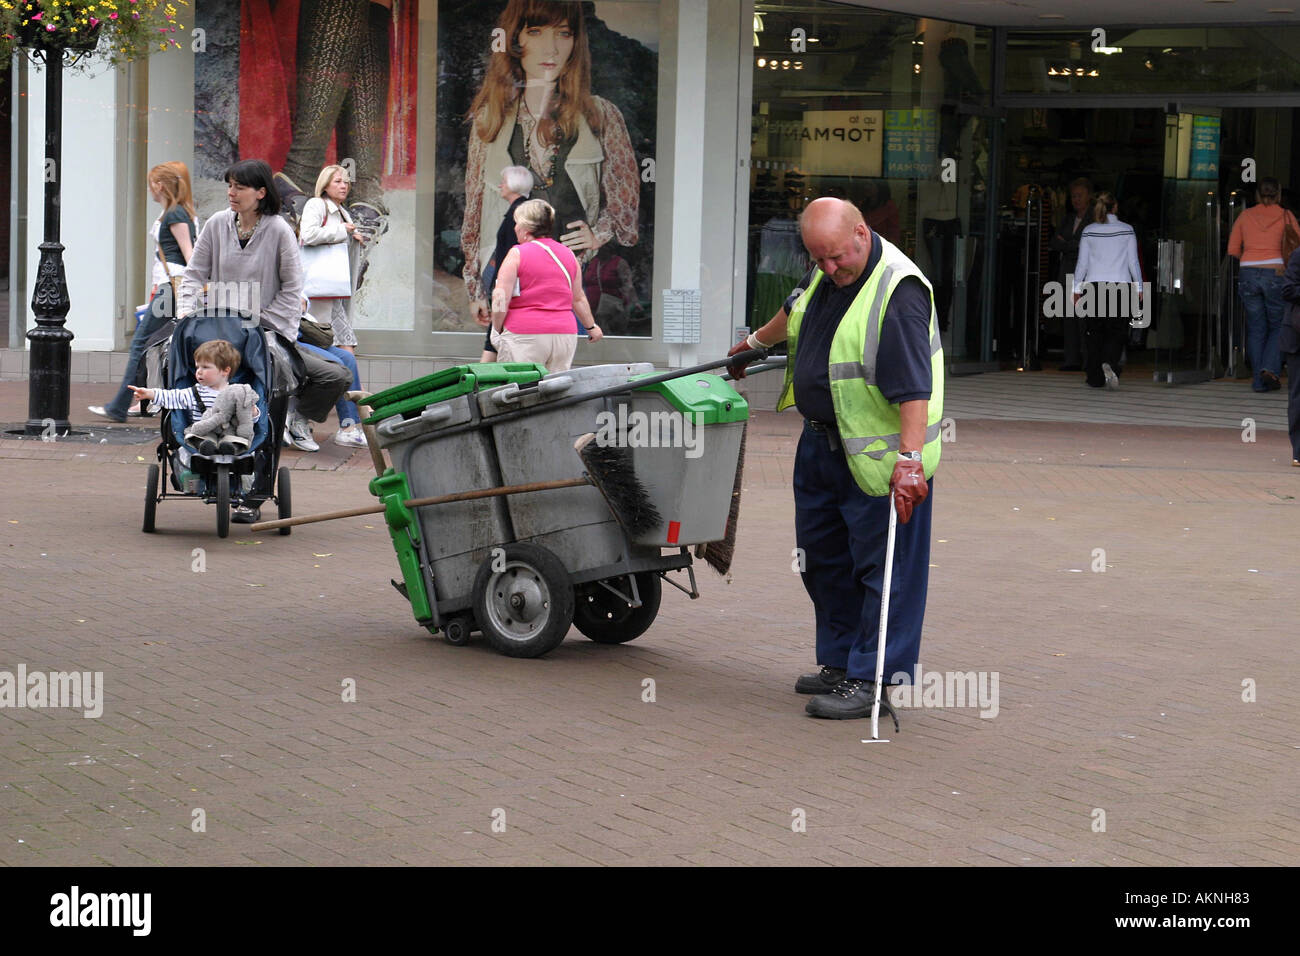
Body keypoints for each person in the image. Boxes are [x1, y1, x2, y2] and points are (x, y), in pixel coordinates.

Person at [727, 197, 944, 721]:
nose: (827, 269)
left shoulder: (899, 292)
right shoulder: (827, 270)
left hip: (879, 460)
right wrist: (752, 344)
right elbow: (793, 310)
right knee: (824, 562)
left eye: (835, 258)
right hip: (822, 445)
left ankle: (871, 678)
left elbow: (916, 388)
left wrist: (910, 462)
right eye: (818, 259)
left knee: (883, 572)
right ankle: (842, 660)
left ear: (862, 234)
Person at [178, 159, 352, 521]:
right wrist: (187, 316)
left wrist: (264, 327)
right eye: (229, 185)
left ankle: (263, 481)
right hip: (217, 335)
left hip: (266, 333)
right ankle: (202, 462)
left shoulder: (278, 230)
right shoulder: (215, 225)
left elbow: (292, 287)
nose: (231, 192)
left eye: (240, 187)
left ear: (261, 193)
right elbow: (194, 275)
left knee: (330, 376)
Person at [461, 0, 639, 318]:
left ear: (575, 42)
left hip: (568, 277)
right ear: (517, 39)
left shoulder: (601, 115)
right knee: (514, 362)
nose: (551, 48)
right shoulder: (491, 119)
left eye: (564, 33)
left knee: (560, 359)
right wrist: (475, 287)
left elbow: (624, 203)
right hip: (507, 273)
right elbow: (474, 211)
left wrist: (598, 234)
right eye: (536, 32)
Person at [89, 162, 197, 422]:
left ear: (160, 185)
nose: (150, 189)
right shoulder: (175, 213)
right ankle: (145, 402)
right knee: (153, 343)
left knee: (141, 342)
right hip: (168, 288)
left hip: (170, 290)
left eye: (152, 183)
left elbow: (190, 256)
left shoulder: (175, 215)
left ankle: (122, 405)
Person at [298, 165, 368, 447]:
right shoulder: (318, 205)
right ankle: (351, 420)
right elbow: (308, 235)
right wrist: (343, 231)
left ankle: (351, 421)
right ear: (324, 184)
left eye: (346, 181)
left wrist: (353, 239)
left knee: (345, 356)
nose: (344, 185)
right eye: (337, 181)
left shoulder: (343, 212)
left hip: (333, 296)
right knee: (339, 356)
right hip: (317, 298)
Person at [491, 198, 602, 371]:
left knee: (521, 391)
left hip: (524, 334)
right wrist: (591, 327)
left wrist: (496, 328)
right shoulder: (568, 254)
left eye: (517, 223)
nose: (515, 228)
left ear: (525, 228)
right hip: (564, 335)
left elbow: (500, 296)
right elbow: (578, 297)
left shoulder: (517, 254)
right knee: (556, 392)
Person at [129, 340, 260, 456]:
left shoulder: (237, 393)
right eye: (197, 367)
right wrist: (149, 393)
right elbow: (171, 397)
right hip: (202, 437)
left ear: (225, 371)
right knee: (186, 455)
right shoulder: (194, 392)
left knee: (248, 458)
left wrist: (253, 411)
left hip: (231, 437)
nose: (199, 371)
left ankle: (232, 454)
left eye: (205, 367)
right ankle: (206, 452)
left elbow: (247, 418)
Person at [1228, 177, 1298, 392]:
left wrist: (1250, 262)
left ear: (1257, 195)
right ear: (1278, 195)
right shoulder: (1286, 216)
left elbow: (1232, 249)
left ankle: (1258, 381)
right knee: (1278, 325)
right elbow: (1297, 248)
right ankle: (1270, 369)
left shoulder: (1245, 216)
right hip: (1276, 273)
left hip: (1248, 273)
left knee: (1257, 328)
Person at [1074, 191, 1142, 390]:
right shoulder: (1127, 230)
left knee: (1093, 333)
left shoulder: (1089, 231)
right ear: (1116, 207)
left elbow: (1082, 264)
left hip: (1094, 287)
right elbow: (1133, 262)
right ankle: (1110, 363)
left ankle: (1094, 377)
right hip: (1120, 286)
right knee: (1117, 332)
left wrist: (1076, 288)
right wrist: (1138, 286)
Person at [477, 165, 533, 362]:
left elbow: (513, 252)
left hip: (510, 286)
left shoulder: (517, 215)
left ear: (514, 185)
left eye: (504, 182)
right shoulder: (520, 212)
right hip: (510, 285)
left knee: (496, 333)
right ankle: (481, 377)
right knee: (495, 335)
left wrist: (503, 286)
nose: (500, 185)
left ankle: (479, 380)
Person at [297, 296, 368, 448]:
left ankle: (348, 428)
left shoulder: (328, 287)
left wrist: (302, 301)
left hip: (307, 330)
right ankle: (300, 418)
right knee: (337, 367)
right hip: (284, 334)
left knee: (347, 358)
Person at [1049, 177, 1094, 371]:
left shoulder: (1094, 219)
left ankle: (1087, 359)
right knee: (1069, 318)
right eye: (1073, 196)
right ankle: (1071, 359)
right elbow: (1054, 242)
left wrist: (1066, 244)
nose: (1076, 199)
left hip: (1087, 274)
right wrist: (1070, 245)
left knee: (1086, 319)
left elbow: (1088, 244)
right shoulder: (1068, 218)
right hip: (1067, 272)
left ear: (1089, 197)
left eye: (1080, 195)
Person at [1278, 246, 1300, 466]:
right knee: (1298, 394)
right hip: (1297, 335)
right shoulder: (1299, 254)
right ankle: (1299, 452)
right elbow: (1288, 290)